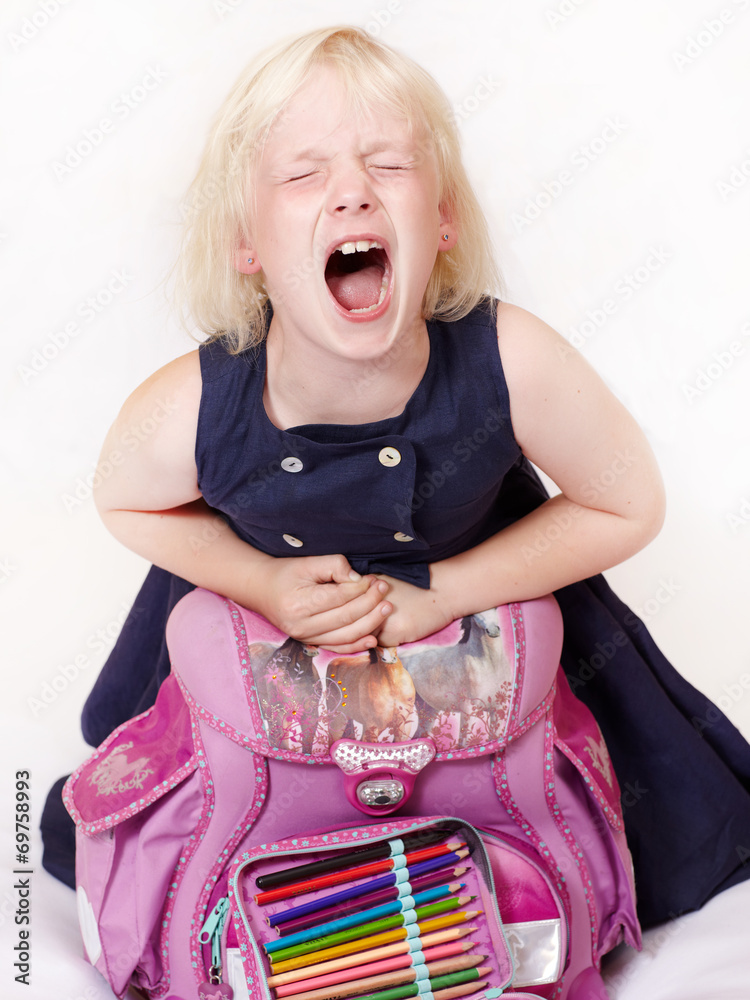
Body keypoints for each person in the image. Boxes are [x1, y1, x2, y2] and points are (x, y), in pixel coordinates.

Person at [42, 25, 750, 929]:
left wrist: (445, 590)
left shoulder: (512, 359)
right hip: (272, 651)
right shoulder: (194, 400)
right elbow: (123, 498)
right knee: (234, 844)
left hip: (491, 634)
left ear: (444, 222)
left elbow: (627, 499)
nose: (350, 194)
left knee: (597, 844)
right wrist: (260, 579)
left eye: (389, 165)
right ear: (245, 243)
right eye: (303, 175)